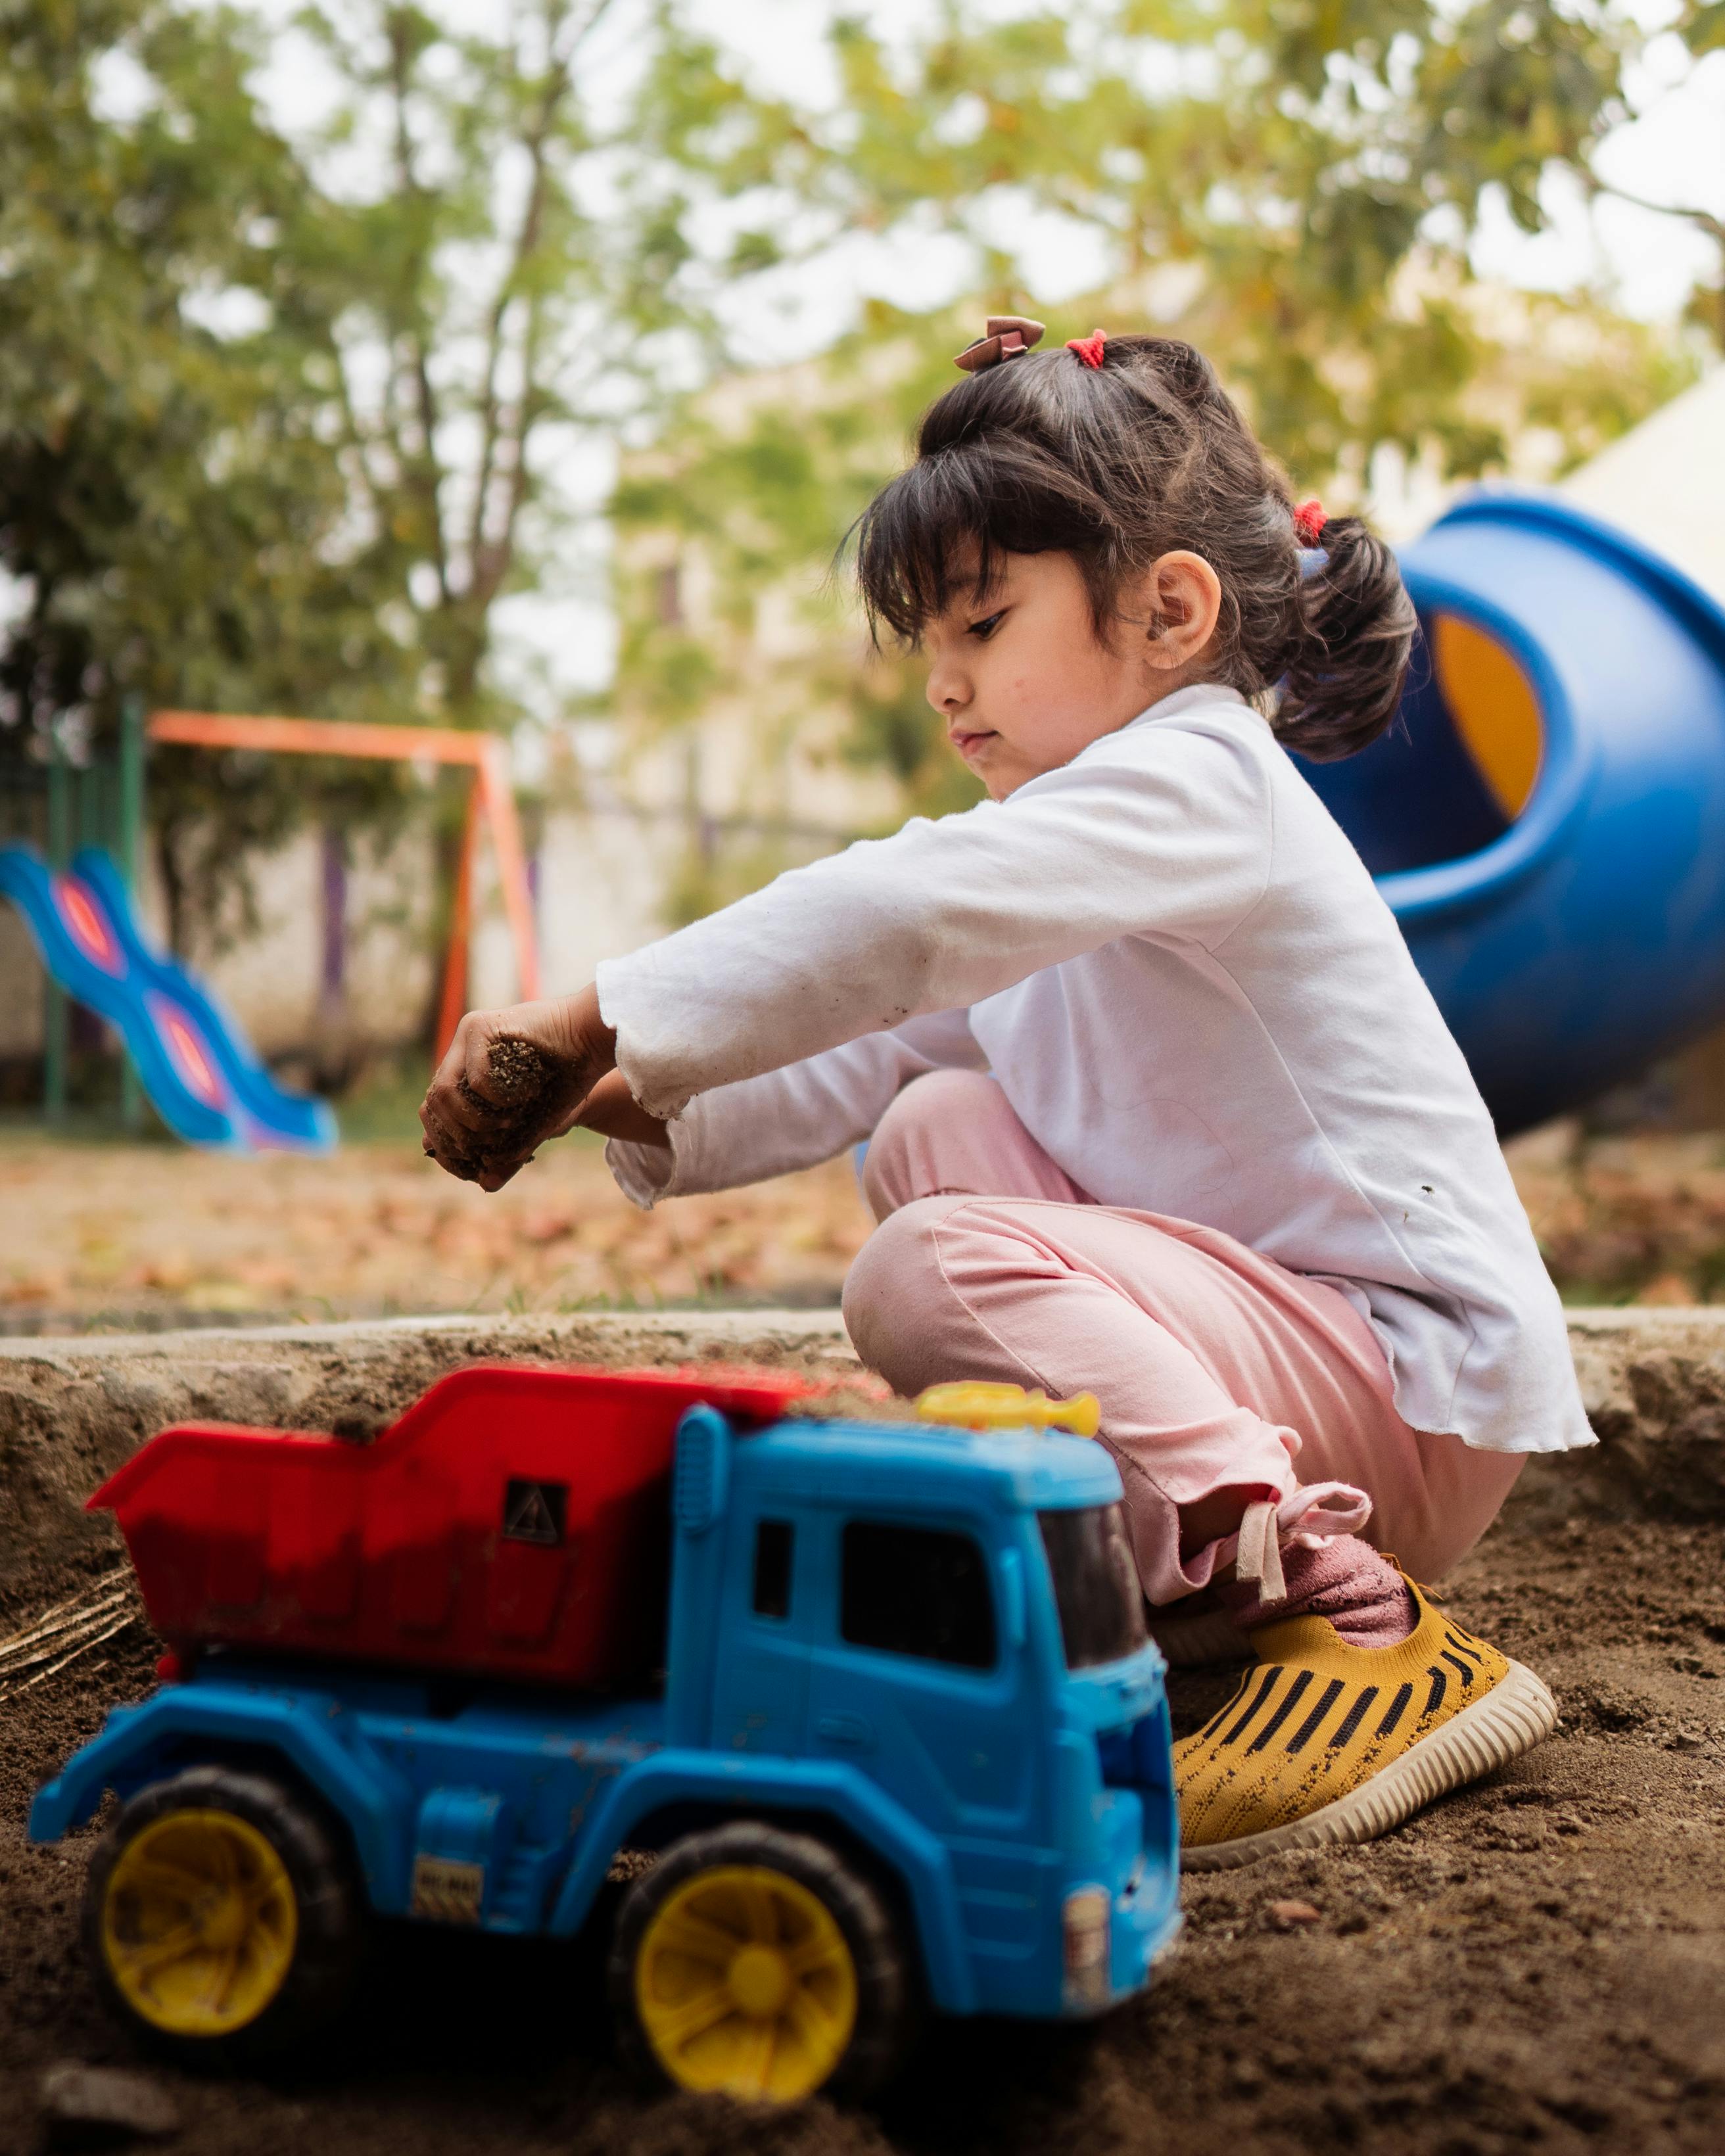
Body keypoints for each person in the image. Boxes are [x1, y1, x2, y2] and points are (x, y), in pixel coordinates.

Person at [420, 321, 1590, 1868]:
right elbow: (858, 1044)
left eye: (982, 619)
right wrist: (601, 1088)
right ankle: (1191, 1585)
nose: (946, 681)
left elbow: (903, 913)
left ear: (1169, 609)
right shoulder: (1073, 846)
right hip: (1296, 1362)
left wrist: (586, 1006)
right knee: (932, 1130)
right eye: (933, 642)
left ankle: (1335, 1612)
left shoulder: (1202, 777)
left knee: (925, 1259)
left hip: (1393, 1381)